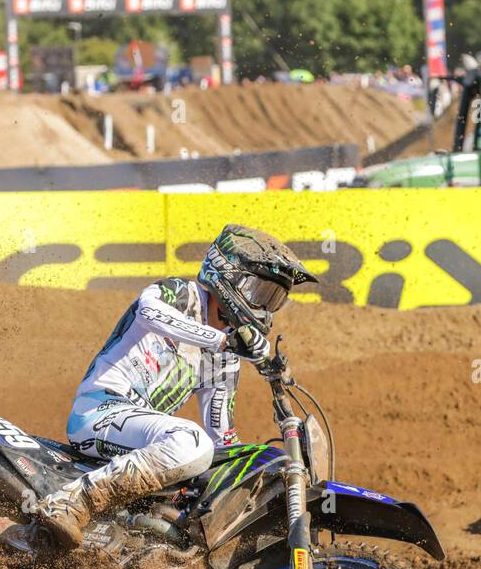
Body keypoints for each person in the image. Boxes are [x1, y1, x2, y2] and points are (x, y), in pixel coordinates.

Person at [32, 224, 317, 549]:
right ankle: (72, 502)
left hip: (139, 435)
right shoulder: (182, 294)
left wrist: (263, 467)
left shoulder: (225, 359)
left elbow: (220, 438)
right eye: (260, 293)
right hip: (99, 412)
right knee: (190, 441)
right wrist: (222, 340)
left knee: (215, 455)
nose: (264, 307)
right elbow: (148, 311)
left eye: (273, 299)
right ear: (230, 275)